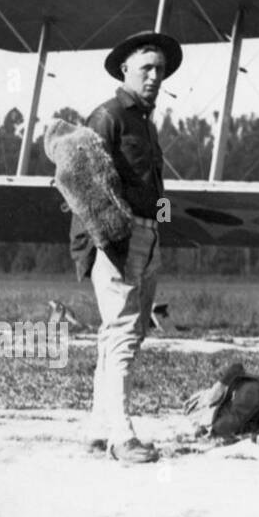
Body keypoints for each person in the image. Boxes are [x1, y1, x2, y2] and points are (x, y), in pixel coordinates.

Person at [72, 30, 182, 464]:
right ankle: (122, 437)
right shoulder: (109, 116)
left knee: (122, 335)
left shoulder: (145, 121)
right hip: (119, 239)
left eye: (160, 69)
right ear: (125, 71)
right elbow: (81, 183)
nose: (155, 76)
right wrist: (105, 241)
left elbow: (155, 187)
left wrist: (160, 230)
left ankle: (98, 430)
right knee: (120, 335)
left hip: (148, 235)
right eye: (147, 68)